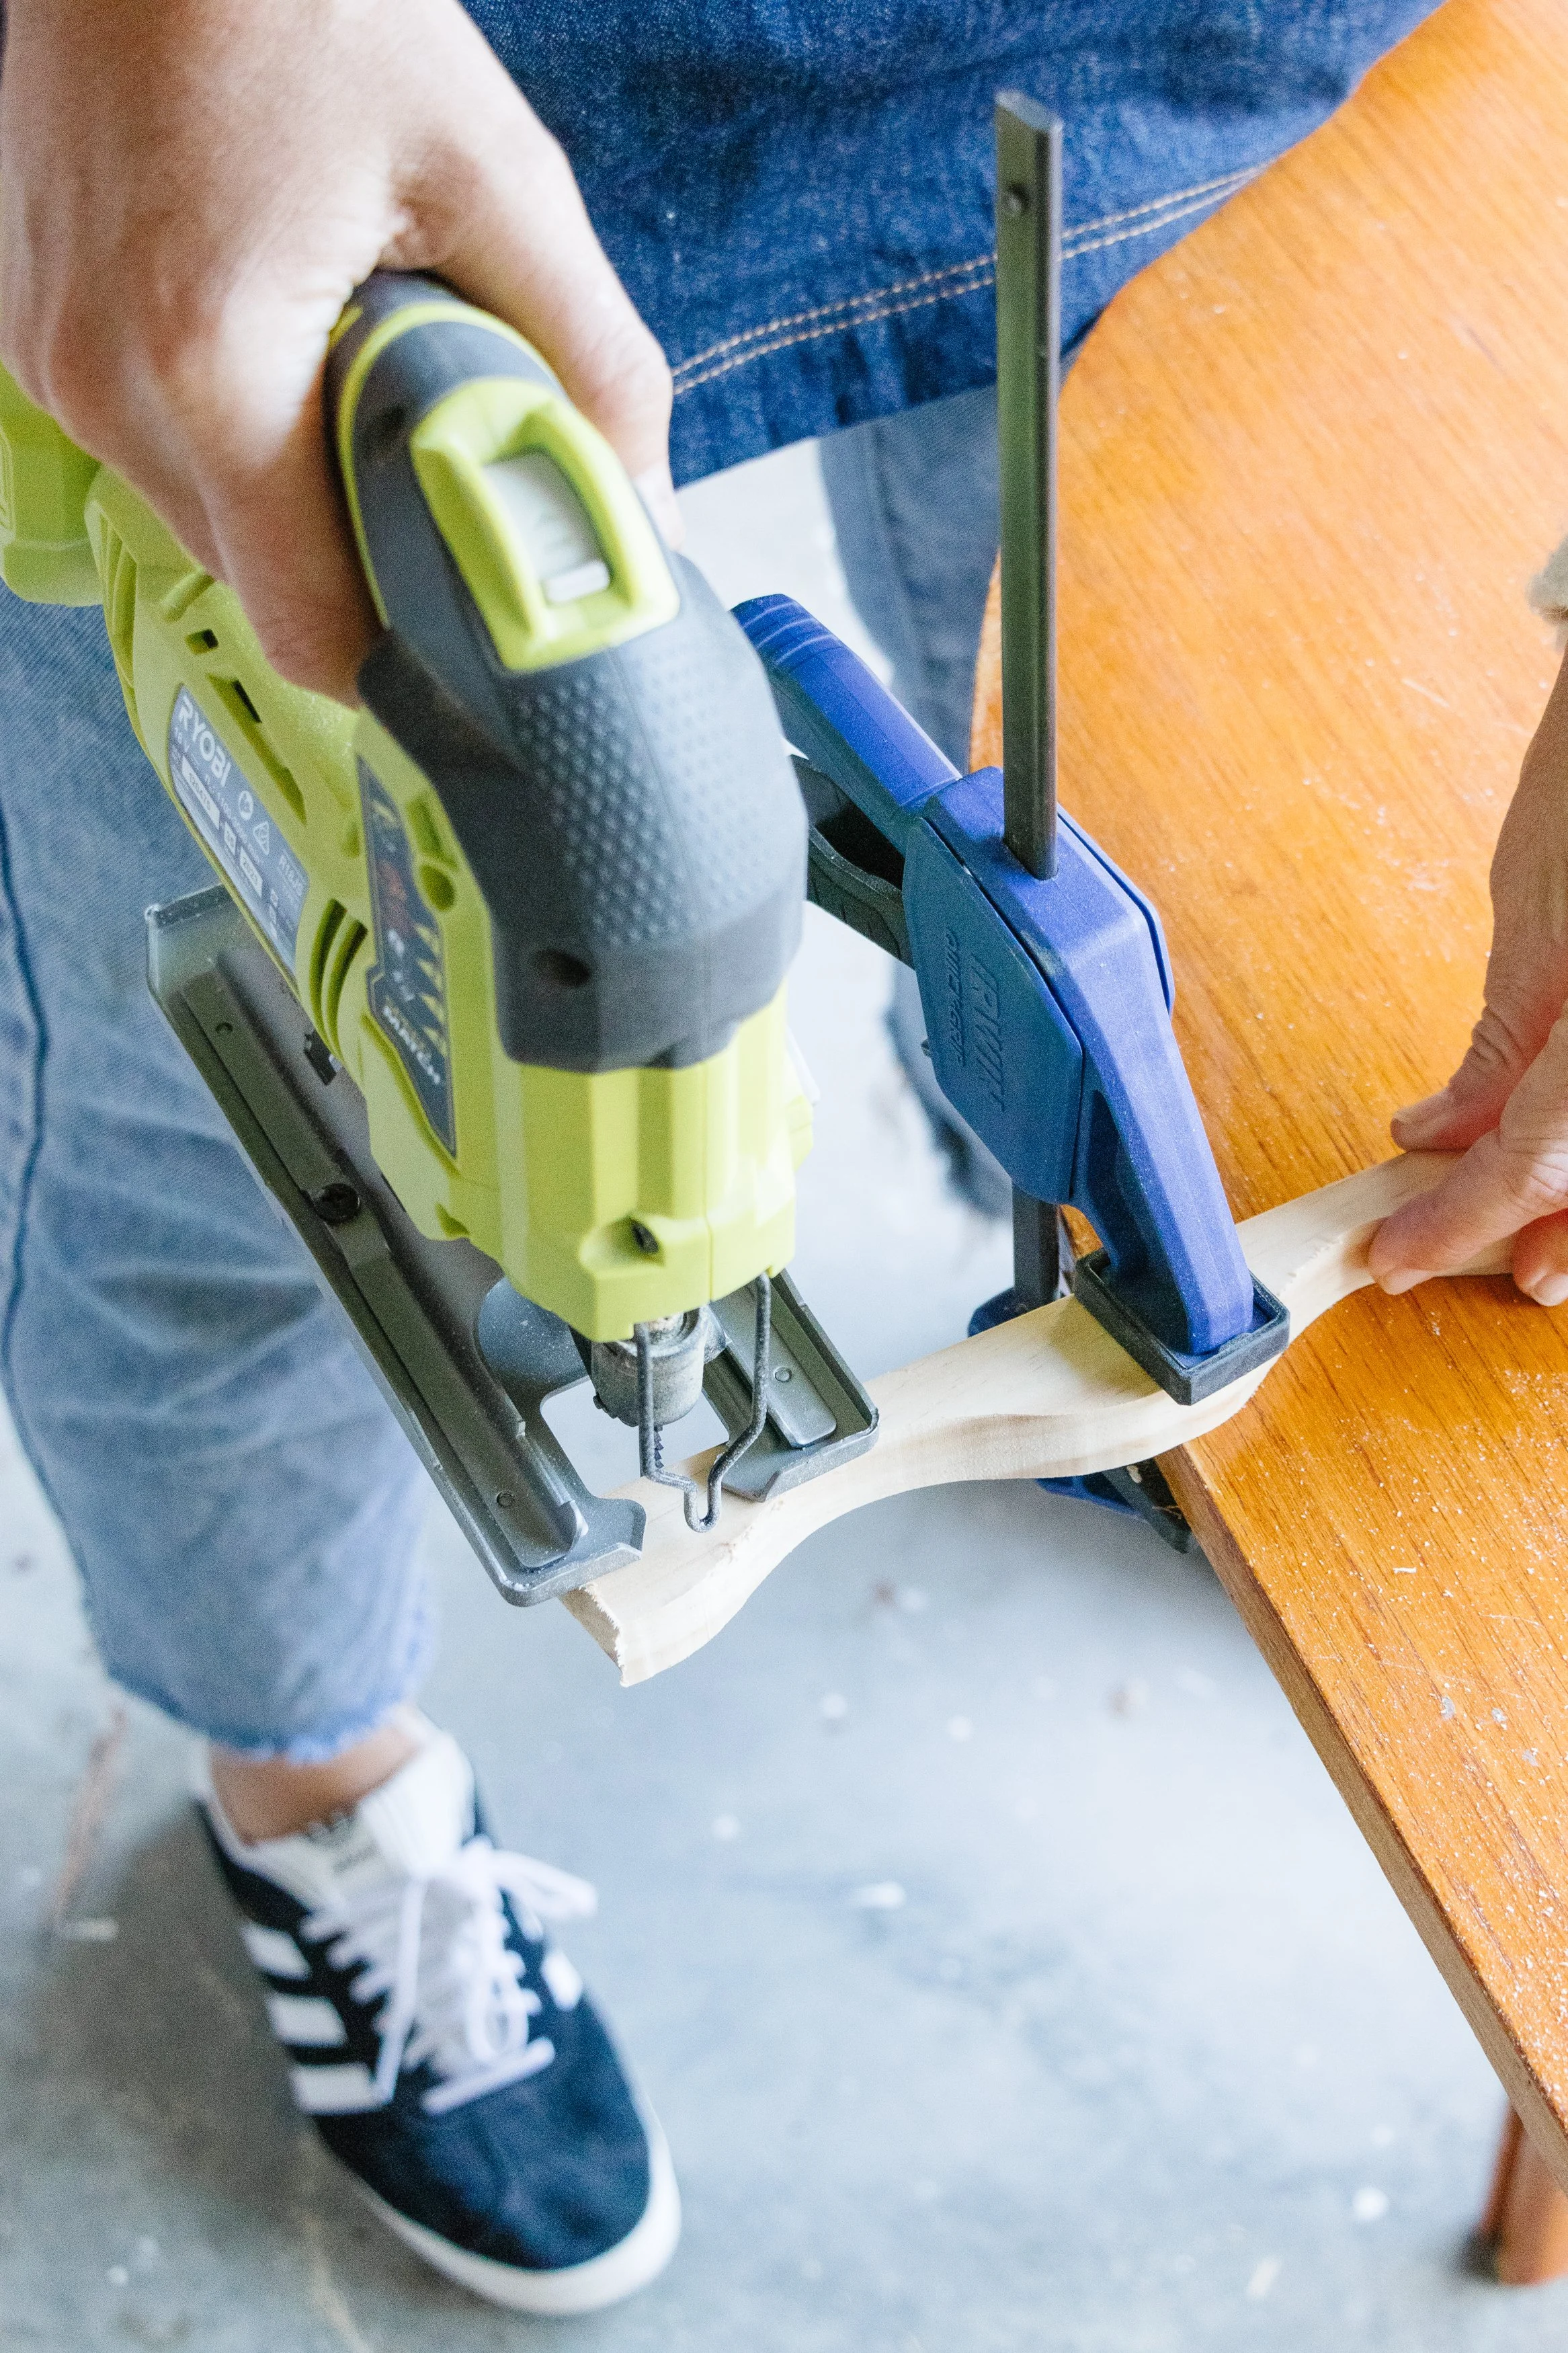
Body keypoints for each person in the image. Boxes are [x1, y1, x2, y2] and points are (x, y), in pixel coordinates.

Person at [0, 0, 1546, 2316]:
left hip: (1163, 63)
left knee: (1168, 891)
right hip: (271, 155)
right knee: (205, 1140)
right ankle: (314, 1777)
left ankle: (1095, 1319)